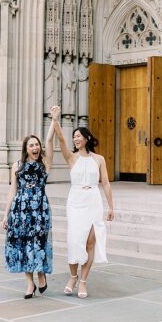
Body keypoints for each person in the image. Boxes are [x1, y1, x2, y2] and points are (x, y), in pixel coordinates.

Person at [51, 105, 114, 299]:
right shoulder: (71, 158)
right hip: (76, 200)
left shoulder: (99, 159)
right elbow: (61, 139)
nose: (75, 139)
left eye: (79, 136)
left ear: (86, 138)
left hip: (93, 200)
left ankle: (83, 281)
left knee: (90, 242)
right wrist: (55, 120)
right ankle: (72, 277)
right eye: (74, 137)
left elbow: (105, 183)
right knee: (74, 240)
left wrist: (111, 206)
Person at [1, 118, 56, 298]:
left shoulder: (44, 163)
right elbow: (12, 191)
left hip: (39, 209)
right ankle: (29, 283)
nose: (35, 147)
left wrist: (54, 121)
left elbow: (49, 142)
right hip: (21, 210)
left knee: (38, 242)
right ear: (26, 148)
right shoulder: (17, 166)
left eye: (37, 145)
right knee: (24, 245)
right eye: (31, 145)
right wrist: (5, 215)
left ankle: (41, 273)